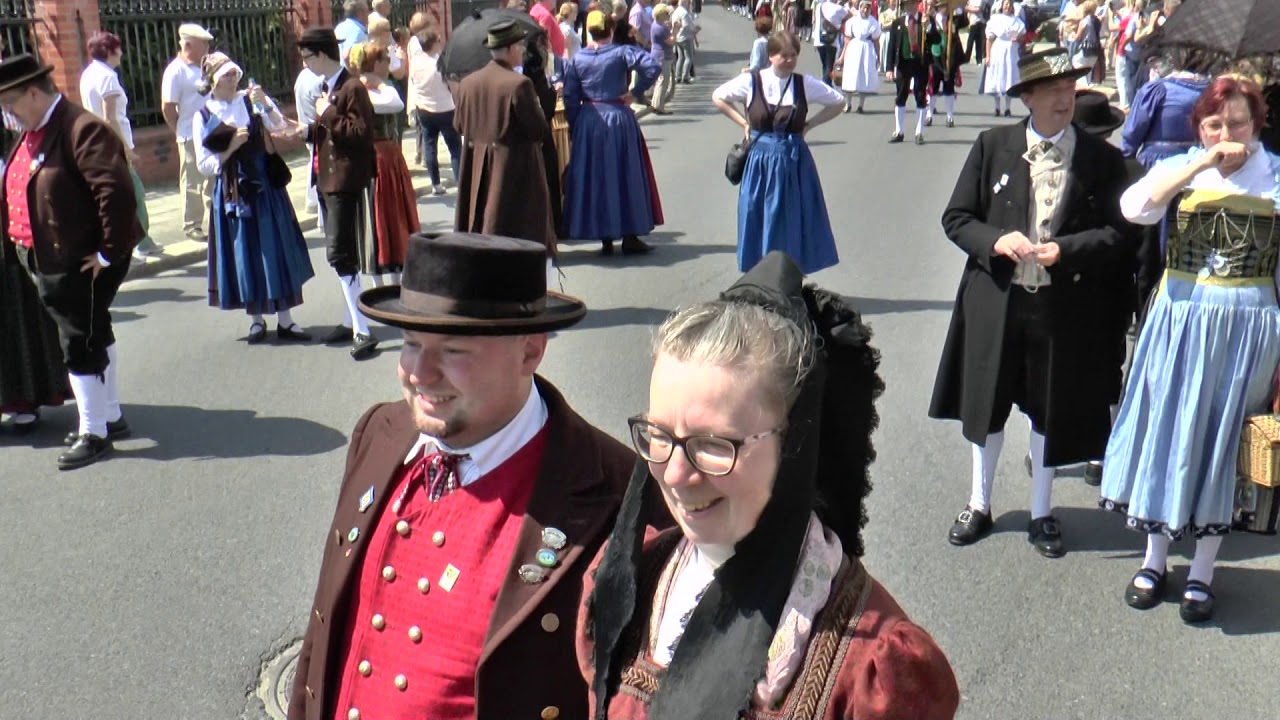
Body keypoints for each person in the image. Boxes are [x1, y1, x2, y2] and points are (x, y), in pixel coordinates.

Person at [579, 251, 960, 720]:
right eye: (659, 435)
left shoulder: (872, 672)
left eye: (713, 444)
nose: (674, 474)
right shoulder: (629, 584)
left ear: (793, 445)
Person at [287, 231, 649, 720]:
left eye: (453, 350)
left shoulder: (613, 490)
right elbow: (322, 635)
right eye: (410, 343)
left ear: (530, 351)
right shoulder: (380, 432)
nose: (419, 372)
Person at [929, 49, 1134, 558]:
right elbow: (957, 218)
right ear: (1028, 98)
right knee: (987, 404)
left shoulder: (1102, 160)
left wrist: (1068, 250)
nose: (1065, 99)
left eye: (1070, 89)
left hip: (1063, 308)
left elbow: (1120, 234)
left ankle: (1042, 512)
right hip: (997, 300)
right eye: (1052, 91)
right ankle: (979, 503)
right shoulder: (993, 145)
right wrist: (996, 240)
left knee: (1050, 408)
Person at [1101, 76, 1280, 624]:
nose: (1227, 134)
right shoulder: (1181, 168)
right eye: (1214, 124)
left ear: (1257, 124)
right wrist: (1200, 163)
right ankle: (1154, 559)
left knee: (1222, 441)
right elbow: (1134, 207)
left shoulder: (1275, 176)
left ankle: (1202, 569)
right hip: (1179, 320)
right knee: (1169, 429)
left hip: (1247, 327)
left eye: (1238, 123)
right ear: (1198, 127)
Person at [0, 54, 143, 469]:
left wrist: (108, 252)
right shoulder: (36, 129)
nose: (8, 114)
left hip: (77, 257)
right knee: (95, 327)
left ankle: (93, 432)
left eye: (10, 103)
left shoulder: (80, 128)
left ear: (32, 93)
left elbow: (115, 192)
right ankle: (110, 416)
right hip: (48, 254)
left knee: (78, 340)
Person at [192, 52, 315, 344]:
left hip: (265, 186)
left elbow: (279, 127)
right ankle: (256, 320)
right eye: (226, 75)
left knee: (275, 248)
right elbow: (204, 164)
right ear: (214, 81)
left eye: (234, 73)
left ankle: (286, 320)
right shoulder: (203, 115)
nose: (233, 79)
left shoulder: (251, 100)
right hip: (233, 191)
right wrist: (231, 147)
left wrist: (265, 104)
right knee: (245, 253)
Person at [713, 30, 843, 274]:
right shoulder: (752, 81)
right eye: (784, 55)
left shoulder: (804, 84)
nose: (790, 60)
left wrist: (810, 124)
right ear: (771, 55)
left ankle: (788, 273)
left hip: (793, 162)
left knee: (791, 218)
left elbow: (838, 102)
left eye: (794, 55)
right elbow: (718, 97)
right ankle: (760, 272)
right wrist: (743, 123)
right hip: (760, 161)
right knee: (757, 213)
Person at [297, 27, 379, 361]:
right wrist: (304, 131)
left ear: (320, 55)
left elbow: (360, 132)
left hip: (345, 180)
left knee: (339, 254)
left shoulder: (352, 87)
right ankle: (350, 320)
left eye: (306, 57)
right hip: (327, 178)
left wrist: (327, 113)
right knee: (342, 253)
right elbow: (328, 132)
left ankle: (362, 329)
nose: (304, 64)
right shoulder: (326, 87)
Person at [454, 21, 558, 272]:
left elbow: (458, 125)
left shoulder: (467, 83)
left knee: (481, 227)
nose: (522, 50)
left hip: (476, 167)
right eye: (520, 45)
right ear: (510, 48)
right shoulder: (518, 84)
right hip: (512, 170)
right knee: (516, 231)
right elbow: (538, 129)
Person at [561, 10, 663, 256]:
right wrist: (635, 92)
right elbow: (652, 66)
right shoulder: (621, 52)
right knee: (625, 174)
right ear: (611, 30)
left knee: (596, 176)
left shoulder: (578, 59)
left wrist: (576, 125)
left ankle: (605, 237)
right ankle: (629, 235)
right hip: (618, 117)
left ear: (589, 31)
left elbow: (570, 96)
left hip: (589, 119)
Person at [79, 31, 158, 262]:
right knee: (135, 194)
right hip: (112, 146)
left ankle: (129, 244)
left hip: (97, 144)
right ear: (110, 51)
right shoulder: (108, 77)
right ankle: (141, 243)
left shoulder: (88, 74)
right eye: (118, 48)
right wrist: (126, 149)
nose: (122, 53)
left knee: (116, 196)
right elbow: (110, 118)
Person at [349, 42, 418, 284]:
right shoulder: (366, 92)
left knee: (392, 212)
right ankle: (379, 280)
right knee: (377, 213)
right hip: (377, 158)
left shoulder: (374, 89)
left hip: (389, 159)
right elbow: (395, 103)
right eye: (386, 61)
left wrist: (378, 83)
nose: (389, 66)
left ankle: (396, 276)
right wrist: (378, 84)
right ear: (376, 64)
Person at [161, 23, 214, 241]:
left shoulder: (206, 66)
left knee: (213, 175)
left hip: (211, 129)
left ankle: (216, 218)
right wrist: (178, 130)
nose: (208, 48)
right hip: (190, 133)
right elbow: (168, 106)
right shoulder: (175, 71)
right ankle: (192, 224)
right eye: (204, 44)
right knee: (192, 180)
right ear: (189, 45)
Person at [408, 26, 460, 197]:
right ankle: (460, 182)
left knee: (430, 145)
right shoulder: (440, 64)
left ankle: (436, 184)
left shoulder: (415, 62)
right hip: (445, 108)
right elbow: (450, 85)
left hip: (424, 108)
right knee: (454, 147)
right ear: (434, 43)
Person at [884, 0, 930, 143]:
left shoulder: (925, 20)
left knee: (920, 95)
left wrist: (928, 27)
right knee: (901, 95)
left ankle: (919, 132)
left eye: (913, 3)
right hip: (903, 63)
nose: (910, 7)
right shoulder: (898, 23)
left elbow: (936, 40)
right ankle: (899, 131)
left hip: (920, 63)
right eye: (907, 4)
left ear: (917, 5)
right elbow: (892, 46)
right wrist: (889, 68)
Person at [924, 0, 969, 128]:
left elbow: (965, 22)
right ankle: (929, 115)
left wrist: (960, 10)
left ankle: (950, 116)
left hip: (950, 58)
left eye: (946, 6)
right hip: (936, 58)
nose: (944, 8)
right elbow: (927, 36)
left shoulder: (953, 20)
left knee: (949, 88)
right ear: (937, 8)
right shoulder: (932, 20)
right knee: (933, 87)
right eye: (942, 6)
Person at [982, 0, 1025, 117]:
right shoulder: (995, 19)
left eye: (1010, 4)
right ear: (1002, 6)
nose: (1008, 6)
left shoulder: (1017, 21)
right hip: (998, 50)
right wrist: (988, 56)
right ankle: (997, 107)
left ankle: (1007, 108)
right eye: (1006, 4)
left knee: (1009, 78)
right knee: (998, 77)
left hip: (1011, 51)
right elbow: (989, 39)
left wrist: (1017, 39)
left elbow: (1022, 37)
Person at [838, 1, 881, 113]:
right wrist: (842, 56)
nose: (865, 10)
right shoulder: (852, 21)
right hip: (854, 48)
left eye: (867, 8)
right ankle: (848, 103)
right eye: (863, 8)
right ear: (860, 8)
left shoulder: (873, 23)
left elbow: (876, 41)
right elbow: (847, 40)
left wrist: (878, 56)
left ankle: (861, 105)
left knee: (864, 76)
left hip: (867, 50)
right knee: (850, 76)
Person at [813, 0, 849, 87]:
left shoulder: (819, 6)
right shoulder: (839, 8)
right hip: (831, 40)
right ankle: (826, 85)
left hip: (819, 39)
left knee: (825, 65)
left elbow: (816, 22)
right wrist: (841, 24)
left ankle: (826, 84)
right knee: (829, 65)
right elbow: (850, 15)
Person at [649, 4, 676, 114]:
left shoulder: (658, 25)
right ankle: (659, 106)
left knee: (660, 81)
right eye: (666, 13)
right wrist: (676, 30)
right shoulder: (659, 28)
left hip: (659, 54)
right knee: (663, 81)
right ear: (660, 15)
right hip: (662, 56)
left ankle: (656, 104)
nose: (667, 15)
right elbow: (671, 41)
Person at [336, 0, 371, 67]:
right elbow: (347, 56)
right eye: (367, 11)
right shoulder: (357, 32)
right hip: (350, 72)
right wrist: (353, 72)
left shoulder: (340, 27)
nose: (368, 14)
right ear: (360, 13)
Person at [671, 0, 699, 84]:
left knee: (681, 57)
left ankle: (678, 76)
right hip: (685, 37)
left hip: (677, 37)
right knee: (689, 57)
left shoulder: (675, 11)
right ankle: (685, 77)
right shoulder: (684, 12)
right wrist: (694, 31)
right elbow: (686, 25)